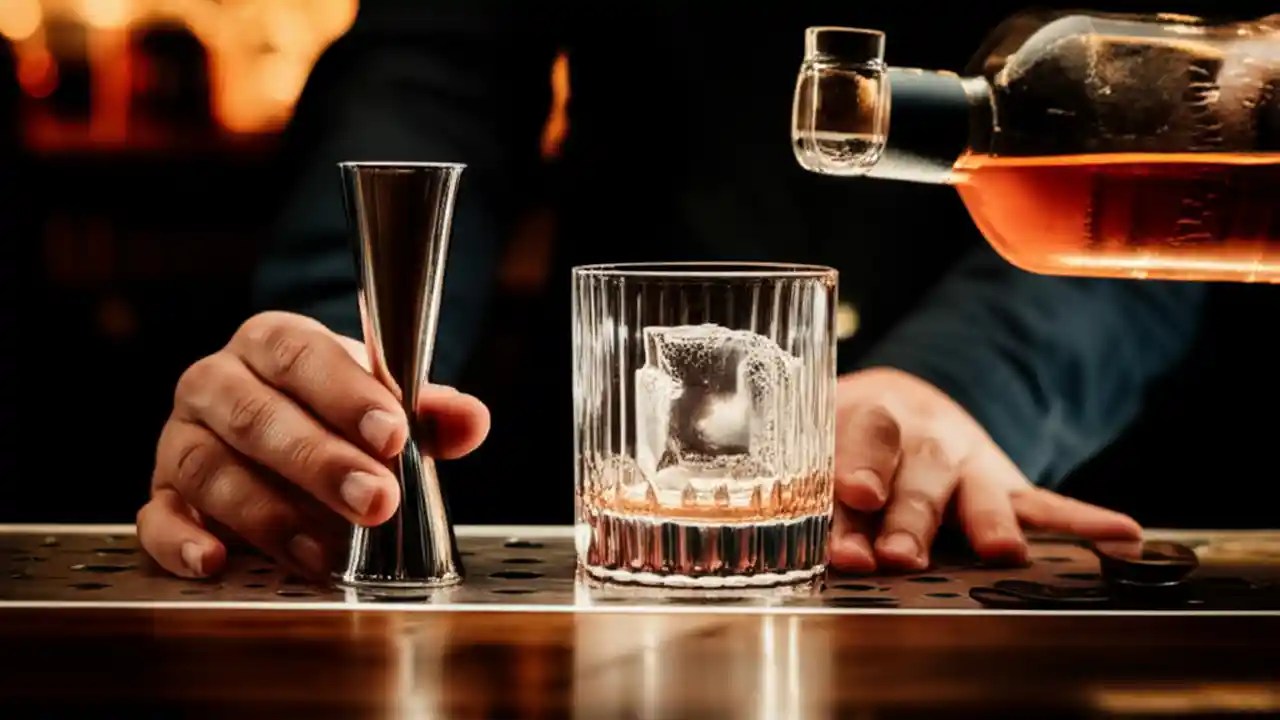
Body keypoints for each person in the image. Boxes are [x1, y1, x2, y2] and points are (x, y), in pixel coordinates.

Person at [137, 0, 1212, 581]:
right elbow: (430, 71)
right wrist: (345, 357)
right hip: (625, 500)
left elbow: (1180, 132)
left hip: (1024, 493)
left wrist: (967, 381)